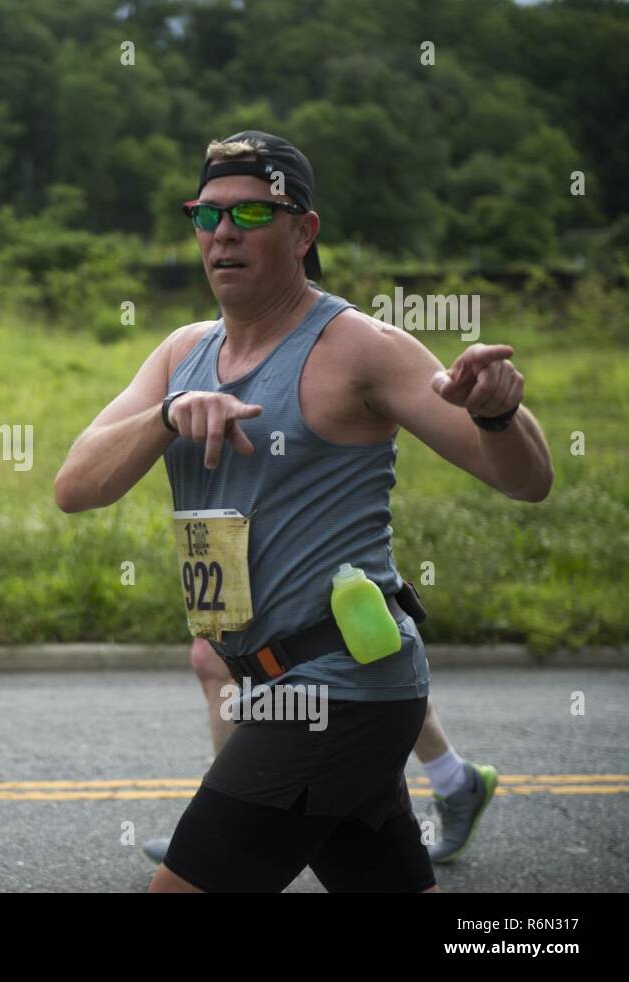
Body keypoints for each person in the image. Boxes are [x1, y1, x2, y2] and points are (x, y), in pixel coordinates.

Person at [54, 130, 553, 892]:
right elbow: (75, 487)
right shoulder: (181, 353)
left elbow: (526, 479)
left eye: (250, 216)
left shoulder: (358, 348)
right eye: (206, 216)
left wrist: (496, 414)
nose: (223, 234)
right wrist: (167, 414)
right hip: (277, 682)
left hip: (338, 688)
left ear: (302, 231)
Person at [142, 638, 498, 865]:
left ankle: (225, 828)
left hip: (307, 526)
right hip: (238, 526)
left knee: (356, 650)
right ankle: (454, 780)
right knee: (354, 655)